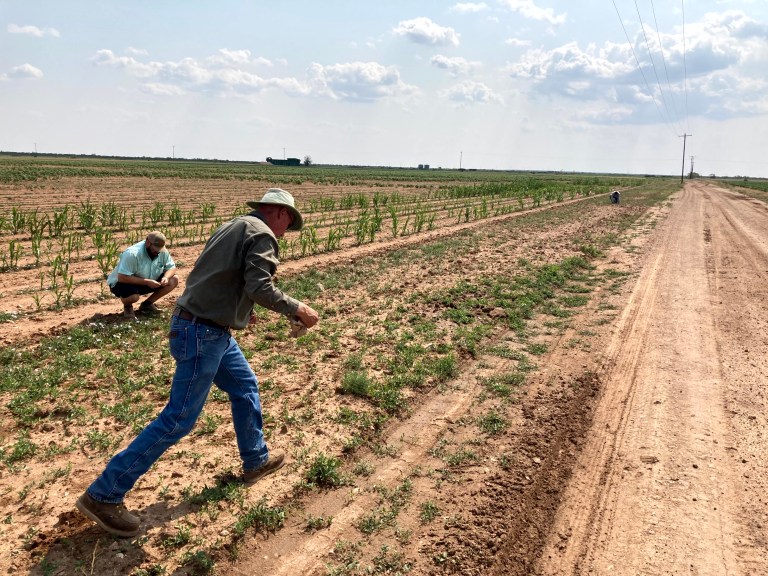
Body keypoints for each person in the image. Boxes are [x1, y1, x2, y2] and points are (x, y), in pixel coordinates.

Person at [76, 188, 320, 538]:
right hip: (202, 334)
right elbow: (260, 286)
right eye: (289, 222)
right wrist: (298, 308)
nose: (285, 232)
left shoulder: (234, 226)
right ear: (280, 212)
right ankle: (103, 494)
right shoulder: (263, 235)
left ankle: (255, 459)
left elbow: (218, 276)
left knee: (244, 386)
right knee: (179, 418)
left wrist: (237, 310)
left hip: (205, 328)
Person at [106, 231, 179, 318]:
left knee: (173, 279)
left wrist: (166, 277)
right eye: (155, 248)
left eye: (160, 248)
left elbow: (171, 267)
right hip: (123, 282)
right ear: (148, 243)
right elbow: (122, 277)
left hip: (147, 280)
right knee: (133, 297)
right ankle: (128, 307)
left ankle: (147, 304)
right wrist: (147, 282)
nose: (158, 251)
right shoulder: (132, 254)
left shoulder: (162, 251)